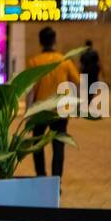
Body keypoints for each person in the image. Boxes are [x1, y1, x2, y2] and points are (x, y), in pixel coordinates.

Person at [26, 26, 81, 179]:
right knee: (58, 146)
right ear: (55, 40)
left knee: (37, 144)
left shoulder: (34, 61)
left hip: (40, 110)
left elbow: (31, 90)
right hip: (60, 110)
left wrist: (28, 112)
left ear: (40, 41)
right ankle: (56, 181)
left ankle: (41, 177)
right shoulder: (64, 61)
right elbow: (77, 83)